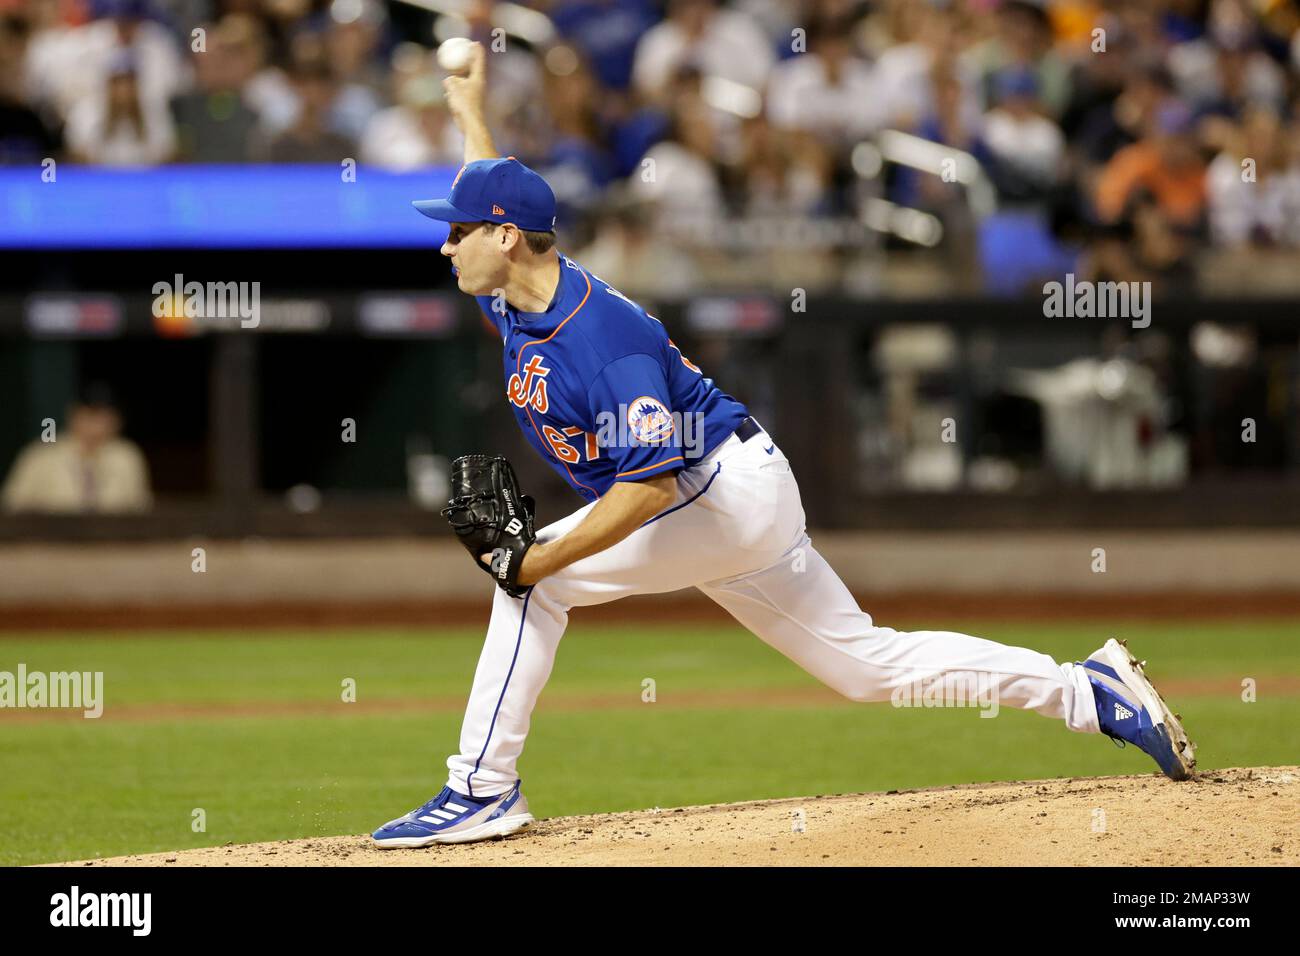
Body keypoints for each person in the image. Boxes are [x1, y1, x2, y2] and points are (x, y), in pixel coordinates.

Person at [370, 42, 1197, 849]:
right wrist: (471, 116)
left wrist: (533, 563)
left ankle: (480, 790)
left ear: (506, 239)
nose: (446, 244)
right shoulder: (519, 293)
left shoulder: (602, 341)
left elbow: (649, 490)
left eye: (459, 232)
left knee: (532, 586)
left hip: (717, 493)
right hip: (731, 495)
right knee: (868, 667)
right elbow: (494, 198)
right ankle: (1089, 692)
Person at [2, 386, 152, 514]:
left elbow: (140, 508)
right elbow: (12, 506)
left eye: (104, 416)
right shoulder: (41, 455)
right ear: (73, 414)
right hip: (49, 542)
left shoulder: (127, 456)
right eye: (90, 414)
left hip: (111, 543)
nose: (96, 423)